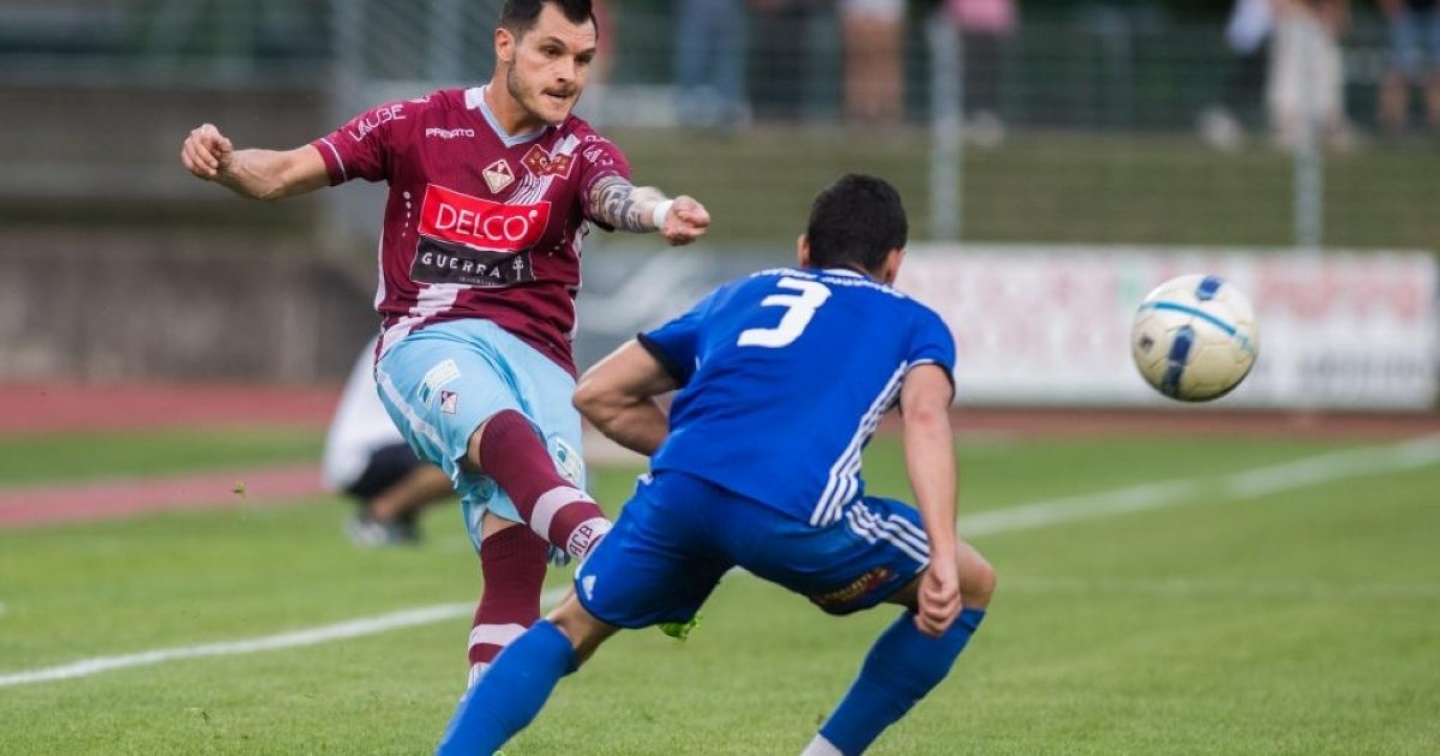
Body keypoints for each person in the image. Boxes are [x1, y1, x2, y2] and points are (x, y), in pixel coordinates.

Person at [180, 0, 711, 687]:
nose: (567, 74)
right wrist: (226, 164)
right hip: (430, 339)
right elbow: (280, 172)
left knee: (514, 577)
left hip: (542, 363)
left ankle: (474, 733)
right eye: (550, 51)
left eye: (581, 59)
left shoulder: (582, 152)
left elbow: (618, 196)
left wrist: (661, 211)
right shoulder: (416, 125)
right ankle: (598, 541)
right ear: (504, 45)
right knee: (504, 432)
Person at [436, 174, 997, 755]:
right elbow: (927, 420)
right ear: (895, 262)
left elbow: (597, 393)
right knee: (974, 583)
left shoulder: (742, 294)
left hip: (680, 494)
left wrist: (698, 456)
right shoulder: (913, 320)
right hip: (796, 509)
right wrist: (942, 555)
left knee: (571, 626)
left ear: (805, 249)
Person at [322, 335, 455, 547]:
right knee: (460, 460)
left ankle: (400, 519)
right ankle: (377, 516)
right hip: (365, 450)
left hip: (384, 442)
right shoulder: (407, 339)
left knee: (462, 454)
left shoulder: (408, 333)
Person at [1267, 0, 1352, 151]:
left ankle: (1328, 125)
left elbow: (1340, 19)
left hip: (1318, 34)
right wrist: (1313, 17)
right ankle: (1291, 126)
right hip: (1295, 30)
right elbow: (1279, 6)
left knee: (1328, 66)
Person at [1199, 0, 1273, 151]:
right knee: (1246, 81)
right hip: (1253, 38)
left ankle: (1226, 117)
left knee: (1249, 82)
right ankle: (1222, 119)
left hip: (1256, 38)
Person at [1377, 0, 1440, 135]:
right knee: (1398, 71)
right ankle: (1393, 124)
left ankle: (1435, 124)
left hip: (1434, 12)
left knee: (1437, 72)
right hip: (1405, 12)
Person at [840, 0, 906, 128]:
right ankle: (858, 112)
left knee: (886, 61)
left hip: (886, 9)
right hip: (857, 9)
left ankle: (888, 112)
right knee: (858, 61)